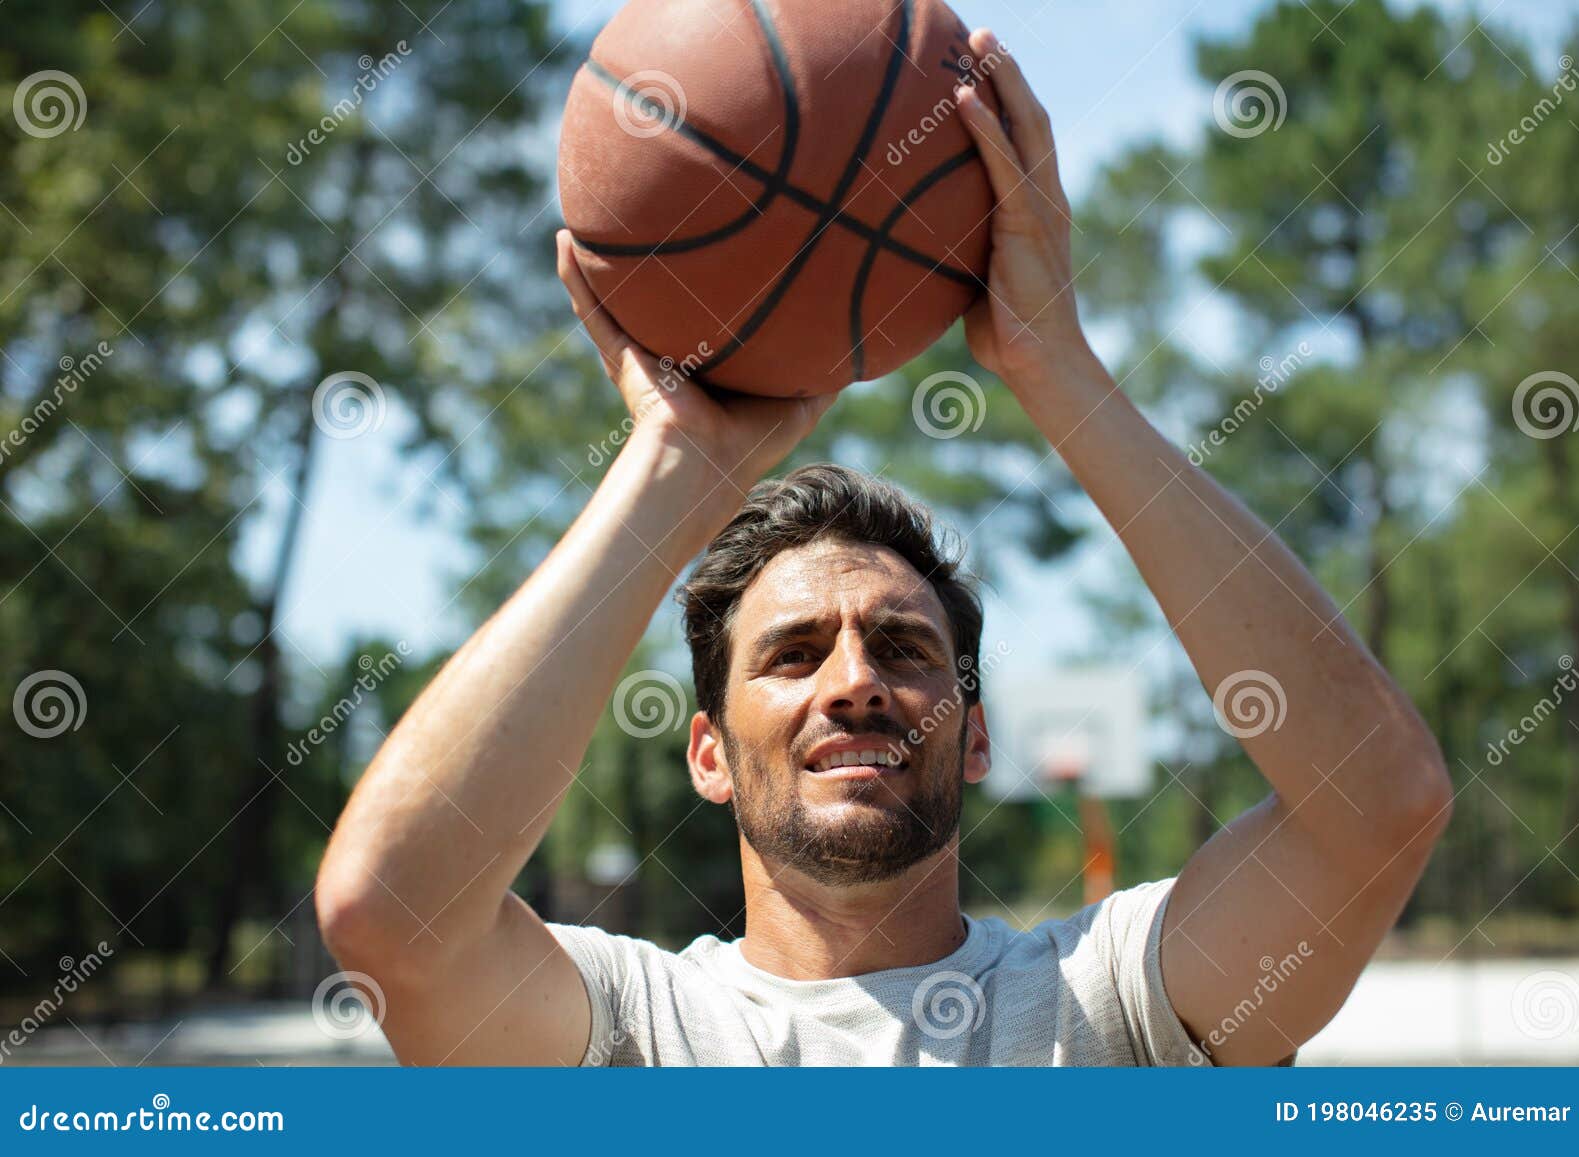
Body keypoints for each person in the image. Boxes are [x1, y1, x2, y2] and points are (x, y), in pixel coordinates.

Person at [314, 28, 1452, 1067]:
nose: (856, 680)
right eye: (793, 652)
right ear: (704, 752)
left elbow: (1378, 802)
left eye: (905, 648)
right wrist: (675, 469)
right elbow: (388, 911)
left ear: (975, 740)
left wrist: (1059, 370)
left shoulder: (1108, 1002)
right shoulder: (632, 1030)